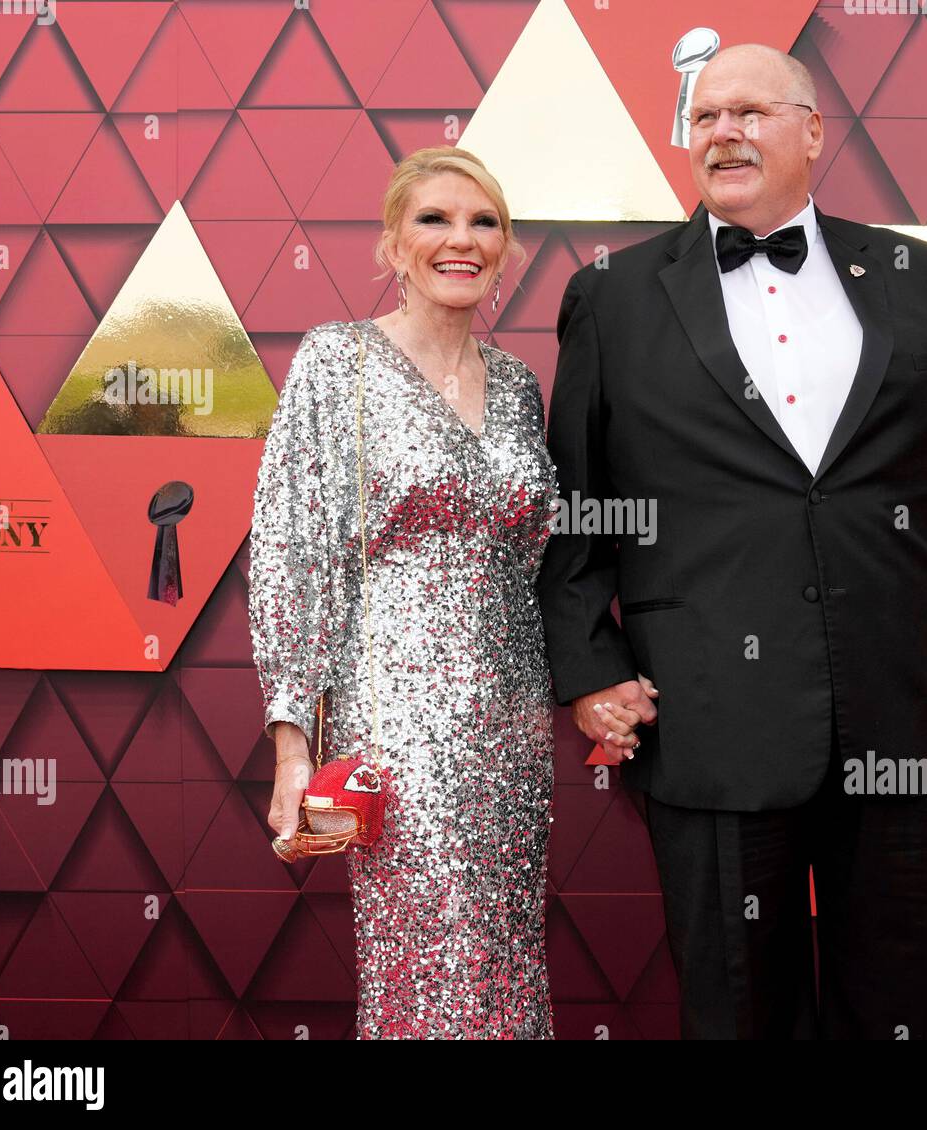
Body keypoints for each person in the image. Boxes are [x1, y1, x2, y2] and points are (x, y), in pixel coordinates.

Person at [537, 44, 927, 1039]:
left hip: (906, 705)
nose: (723, 131)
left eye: (749, 111)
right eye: (704, 117)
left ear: (813, 132)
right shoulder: (611, 297)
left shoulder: (919, 275)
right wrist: (588, 666)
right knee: (739, 1009)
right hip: (708, 716)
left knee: (914, 999)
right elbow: (579, 509)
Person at [249, 146, 558, 1039]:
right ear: (392, 245)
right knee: (423, 959)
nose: (460, 240)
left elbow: (530, 554)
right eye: (434, 219)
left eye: (483, 222)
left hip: (511, 721)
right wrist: (293, 748)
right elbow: (293, 557)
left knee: (504, 955)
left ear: (506, 250)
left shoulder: (519, 386)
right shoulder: (336, 363)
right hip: (395, 724)